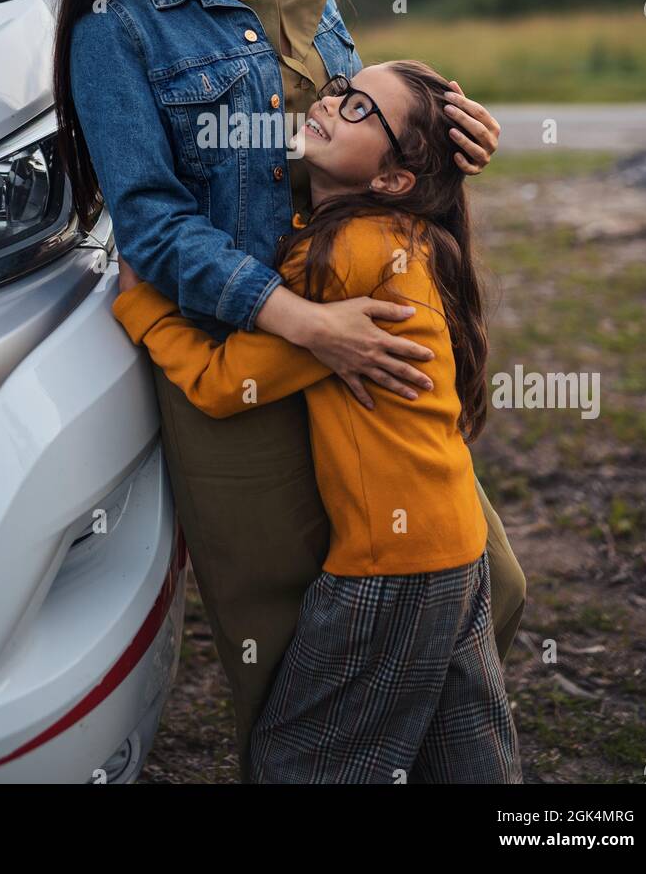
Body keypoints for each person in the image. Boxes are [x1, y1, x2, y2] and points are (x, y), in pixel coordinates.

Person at [54, 0, 526, 781]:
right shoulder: (114, 25)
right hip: (248, 357)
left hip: (358, 324)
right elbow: (152, 225)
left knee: (451, 588)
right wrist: (301, 321)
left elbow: (362, 128)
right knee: (292, 643)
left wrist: (449, 143)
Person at [112, 59, 522, 784]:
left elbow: (218, 384)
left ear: (395, 178)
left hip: (390, 569)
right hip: (459, 547)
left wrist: (140, 305)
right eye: (342, 89)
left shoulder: (341, 259)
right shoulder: (412, 240)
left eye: (364, 110)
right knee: (462, 759)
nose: (333, 102)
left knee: (300, 763)